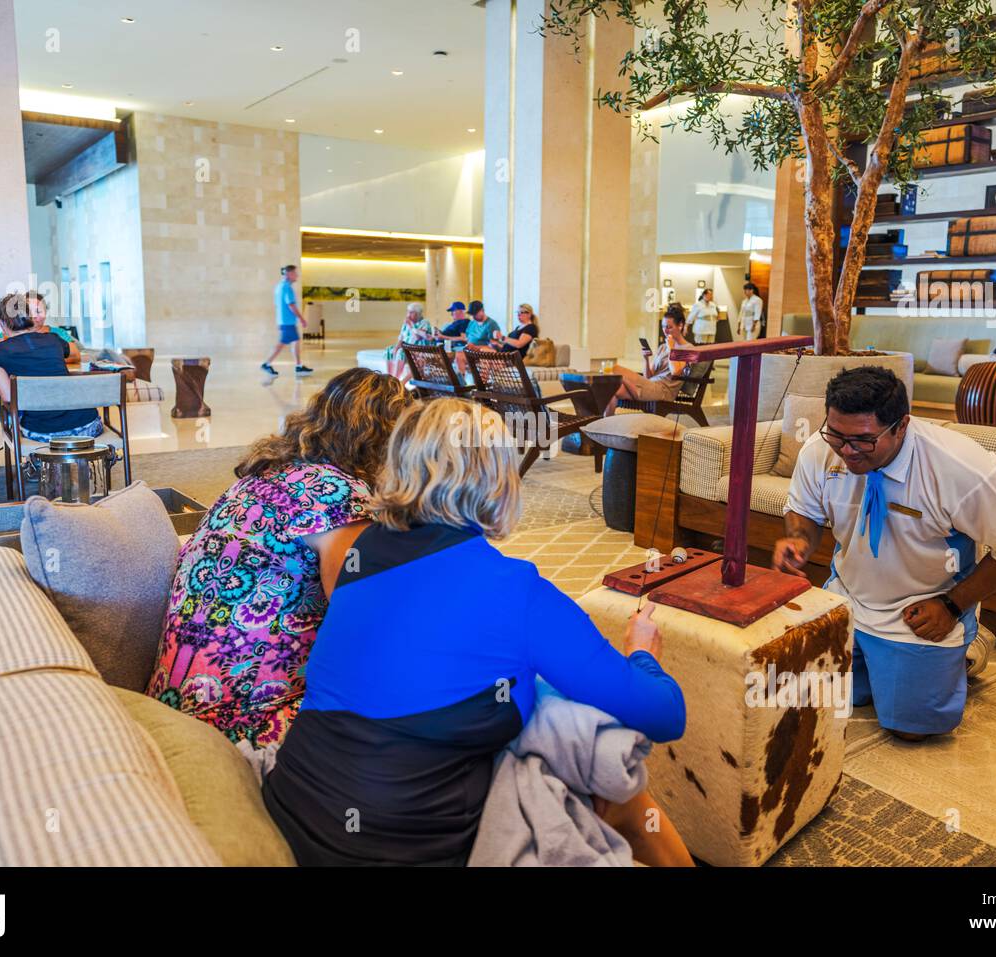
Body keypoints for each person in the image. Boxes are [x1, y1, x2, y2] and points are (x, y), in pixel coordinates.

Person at [262, 397, 690, 866]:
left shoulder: (358, 559)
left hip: (298, 812)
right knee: (611, 773)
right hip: (403, 848)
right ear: (498, 481)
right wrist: (642, 651)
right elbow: (664, 715)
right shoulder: (517, 592)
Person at [148, 368, 414, 760]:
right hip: (243, 724)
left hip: (173, 706)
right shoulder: (340, 498)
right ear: (385, 441)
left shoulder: (264, 472)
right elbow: (360, 622)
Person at [773, 367, 996, 741]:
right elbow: (805, 510)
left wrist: (952, 605)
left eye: (863, 440)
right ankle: (878, 665)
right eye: (836, 434)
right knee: (820, 697)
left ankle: (970, 647)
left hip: (921, 610)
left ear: (901, 426)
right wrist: (799, 540)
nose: (846, 451)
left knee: (910, 730)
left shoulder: (959, 467)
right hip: (848, 595)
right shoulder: (821, 449)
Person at [0, 292, 103, 443]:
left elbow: (8, 396)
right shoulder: (53, 339)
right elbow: (74, 351)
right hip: (88, 426)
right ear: (29, 317)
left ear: (2, 323)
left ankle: (45, 464)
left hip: (44, 433)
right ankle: (77, 462)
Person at [605, 304, 690, 415]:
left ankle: (635, 390)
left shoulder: (688, 349)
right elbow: (648, 376)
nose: (665, 331)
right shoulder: (663, 347)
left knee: (615, 370)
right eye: (663, 326)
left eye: (669, 327)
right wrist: (646, 359)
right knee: (610, 390)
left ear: (680, 325)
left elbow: (676, 372)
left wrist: (671, 348)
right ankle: (605, 426)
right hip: (650, 385)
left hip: (664, 391)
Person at [262, 264, 312, 377]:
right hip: (287, 322)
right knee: (281, 344)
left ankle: (299, 366)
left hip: (284, 321)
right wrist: (302, 319)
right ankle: (267, 363)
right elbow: (291, 305)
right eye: (295, 273)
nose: (297, 276)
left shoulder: (279, 287)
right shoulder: (287, 288)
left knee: (295, 341)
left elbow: (277, 305)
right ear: (289, 274)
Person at [392, 303, 435, 382]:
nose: (408, 314)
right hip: (408, 349)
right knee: (397, 351)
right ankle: (395, 379)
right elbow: (401, 337)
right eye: (408, 312)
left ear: (418, 314)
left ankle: (402, 382)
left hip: (420, 349)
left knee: (414, 358)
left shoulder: (424, 322)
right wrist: (396, 348)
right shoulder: (406, 324)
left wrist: (410, 325)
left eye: (411, 312)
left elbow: (417, 337)